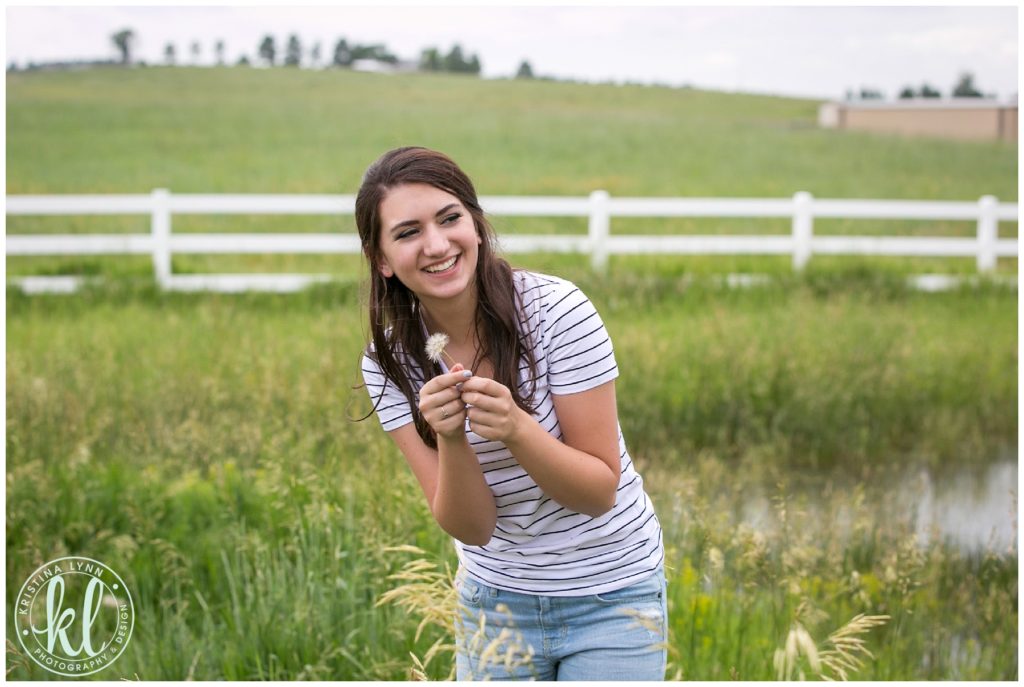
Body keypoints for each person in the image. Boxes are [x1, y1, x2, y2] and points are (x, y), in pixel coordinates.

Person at [356, 146, 666, 681]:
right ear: (382, 259)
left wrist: (518, 430)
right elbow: (472, 529)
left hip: (613, 594)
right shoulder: (390, 362)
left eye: (449, 219)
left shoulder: (556, 312)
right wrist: (450, 438)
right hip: (494, 604)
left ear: (476, 226)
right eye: (407, 233)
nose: (436, 244)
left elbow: (598, 491)